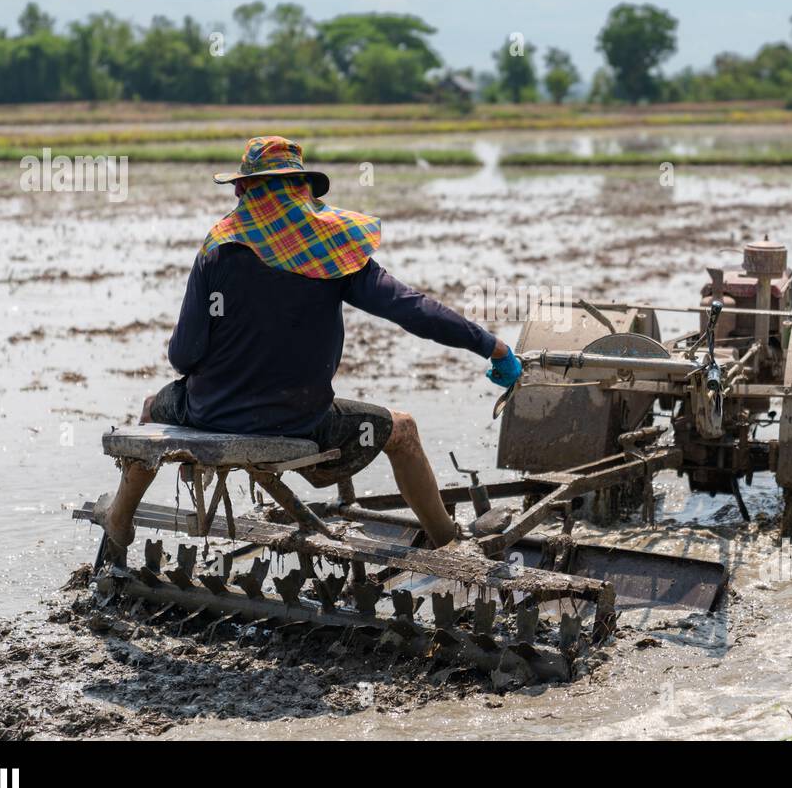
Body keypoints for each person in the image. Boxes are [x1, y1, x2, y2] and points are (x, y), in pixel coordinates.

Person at [105, 136, 520, 552]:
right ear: (303, 190)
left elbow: (182, 357)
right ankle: (448, 542)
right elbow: (411, 309)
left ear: (243, 190)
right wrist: (492, 347)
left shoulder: (217, 250)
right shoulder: (334, 252)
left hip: (208, 412)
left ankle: (119, 523)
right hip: (302, 421)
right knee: (403, 430)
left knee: (151, 408)